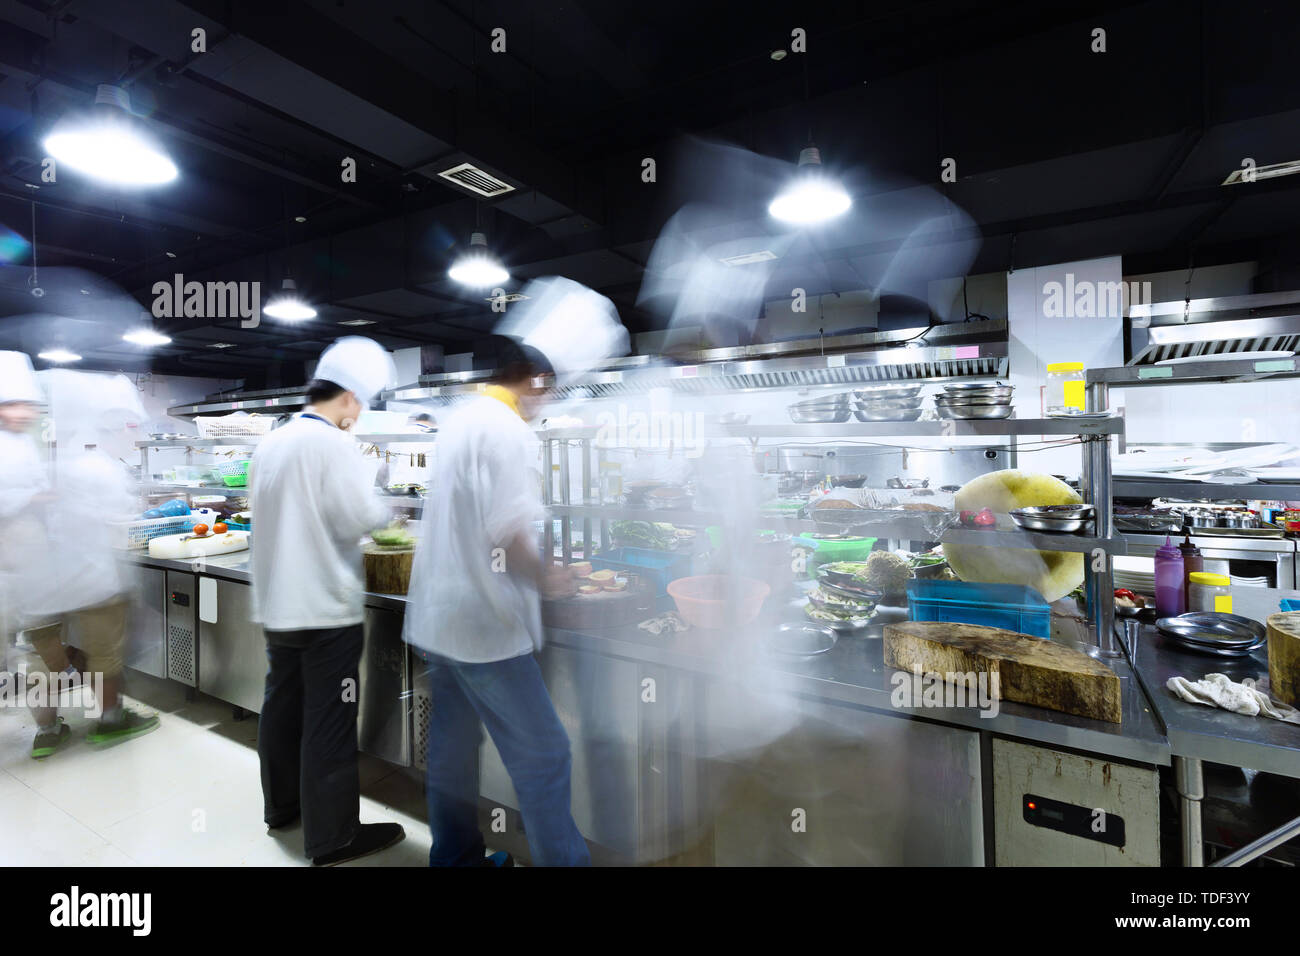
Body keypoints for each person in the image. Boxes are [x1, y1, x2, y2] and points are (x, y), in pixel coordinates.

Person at [403, 278, 628, 867]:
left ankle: (455, 859)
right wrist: (551, 577)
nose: (549, 400)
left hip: (439, 620)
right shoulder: (508, 431)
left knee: (452, 749)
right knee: (546, 755)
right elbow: (507, 532)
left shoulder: (464, 417)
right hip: (485, 627)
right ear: (537, 378)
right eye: (553, 388)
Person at [249, 336, 406, 866]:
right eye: (361, 405)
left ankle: (282, 808)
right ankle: (334, 838)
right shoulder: (332, 444)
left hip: (278, 606)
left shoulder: (273, 441)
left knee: (282, 709)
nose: (358, 416)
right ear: (349, 397)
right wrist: (386, 513)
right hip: (324, 608)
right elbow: (359, 516)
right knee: (330, 721)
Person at [21, 370, 158, 755]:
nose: (134, 435)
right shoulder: (101, 467)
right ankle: (110, 721)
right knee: (104, 653)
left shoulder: (51, 462)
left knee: (40, 660)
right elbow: (122, 521)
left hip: (38, 584)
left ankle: (47, 733)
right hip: (92, 577)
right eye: (131, 428)